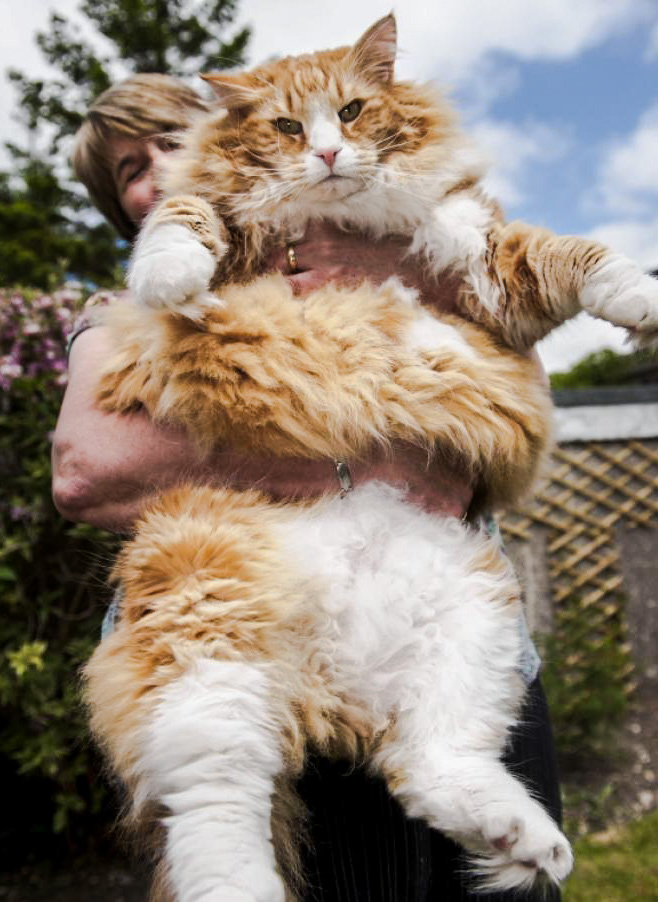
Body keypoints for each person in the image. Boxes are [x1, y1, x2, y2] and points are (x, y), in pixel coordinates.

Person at [53, 74, 563, 901]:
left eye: (176, 139)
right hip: (255, 650)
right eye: (129, 168)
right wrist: (360, 466)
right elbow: (86, 470)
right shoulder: (119, 314)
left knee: (508, 875)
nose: (157, 171)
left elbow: (514, 407)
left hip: (444, 645)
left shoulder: (377, 249)